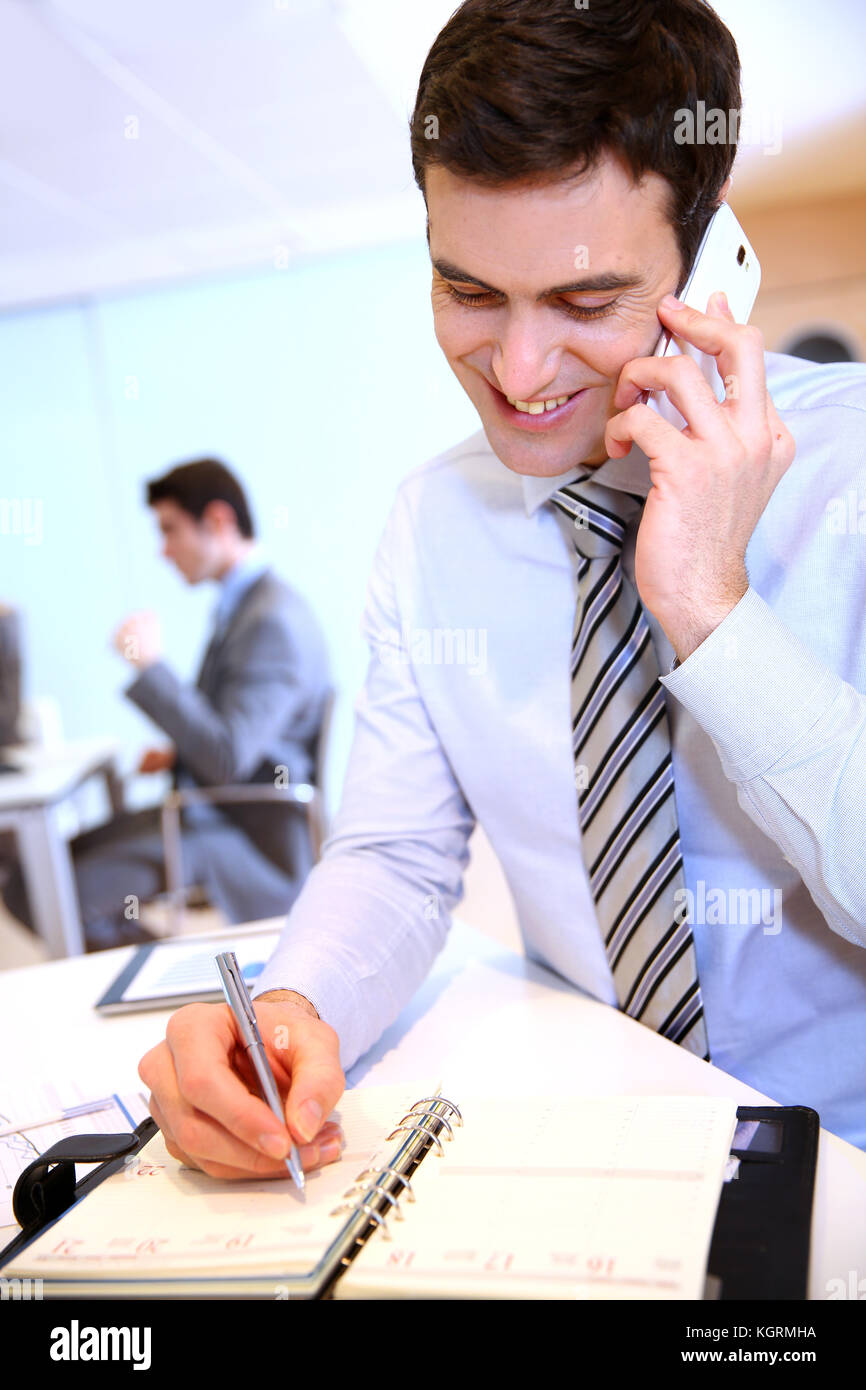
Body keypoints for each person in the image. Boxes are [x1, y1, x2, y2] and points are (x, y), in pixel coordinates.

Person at [139, 0, 866, 1182]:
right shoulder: (433, 526)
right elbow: (396, 853)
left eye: (583, 305)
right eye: (469, 291)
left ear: (715, 266)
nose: (519, 373)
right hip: (592, 1159)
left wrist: (710, 612)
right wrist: (295, 1006)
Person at [3, 458, 331, 950]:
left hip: (244, 834)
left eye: (170, 530)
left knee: (37, 891)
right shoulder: (247, 607)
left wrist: (149, 665)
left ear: (217, 521)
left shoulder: (271, 620)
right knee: (34, 872)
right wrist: (177, 754)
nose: (164, 550)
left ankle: (158, 978)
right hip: (215, 809)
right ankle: (164, 974)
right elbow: (239, 734)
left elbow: (226, 756)